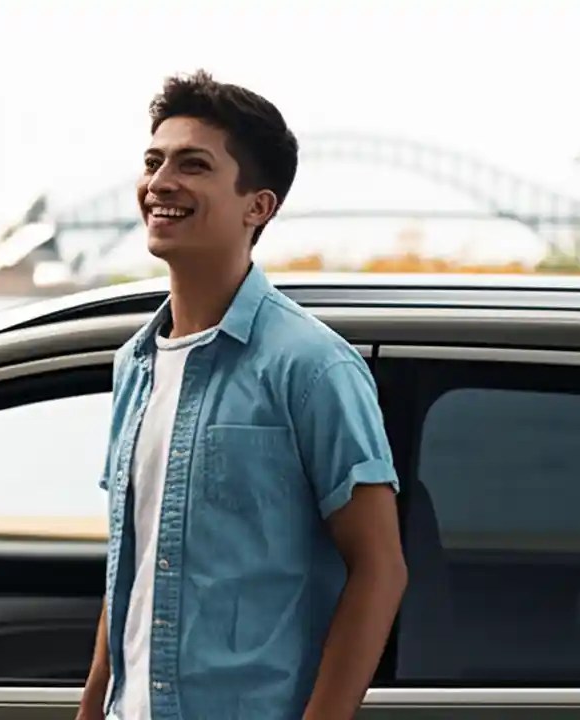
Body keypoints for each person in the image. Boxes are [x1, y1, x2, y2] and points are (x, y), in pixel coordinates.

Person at [75, 70, 408, 720]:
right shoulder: (133, 367)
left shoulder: (312, 368)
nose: (160, 183)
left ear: (258, 206)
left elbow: (380, 568)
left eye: (193, 165)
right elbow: (132, 567)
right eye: (153, 161)